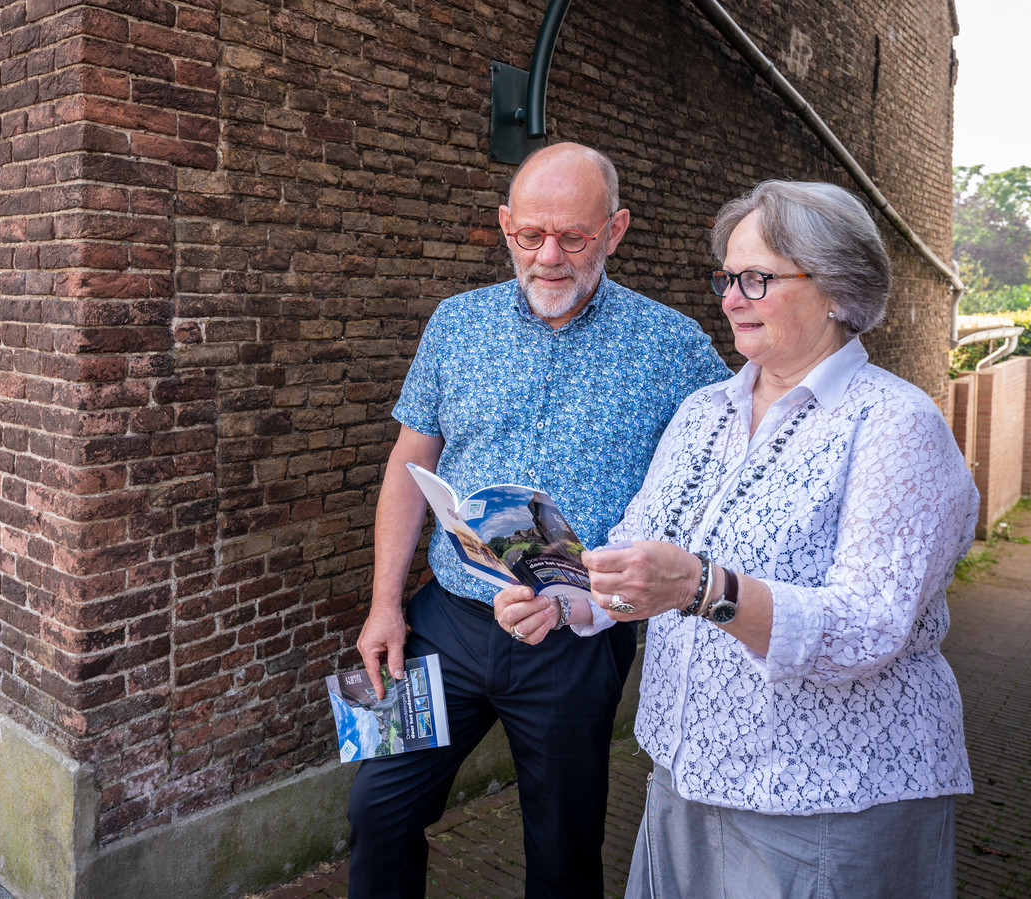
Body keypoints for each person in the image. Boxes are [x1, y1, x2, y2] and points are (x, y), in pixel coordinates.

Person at [518, 179, 976, 897]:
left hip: (829, 800)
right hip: (684, 777)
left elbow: (867, 626)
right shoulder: (703, 411)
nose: (731, 299)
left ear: (837, 288)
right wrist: (566, 601)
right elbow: (638, 550)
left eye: (756, 279)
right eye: (727, 278)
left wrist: (703, 588)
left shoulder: (895, 424)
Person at [347, 142, 731, 899]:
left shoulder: (675, 346)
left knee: (562, 854)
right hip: (445, 620)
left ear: (615, 230)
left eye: (574, 237)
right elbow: (407, 464)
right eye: (530, 235)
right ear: (505, 226)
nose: (549, 257)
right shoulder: (455, 324)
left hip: (576, 640)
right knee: (375, 810)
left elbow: (719, 483)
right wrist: (384, 605)